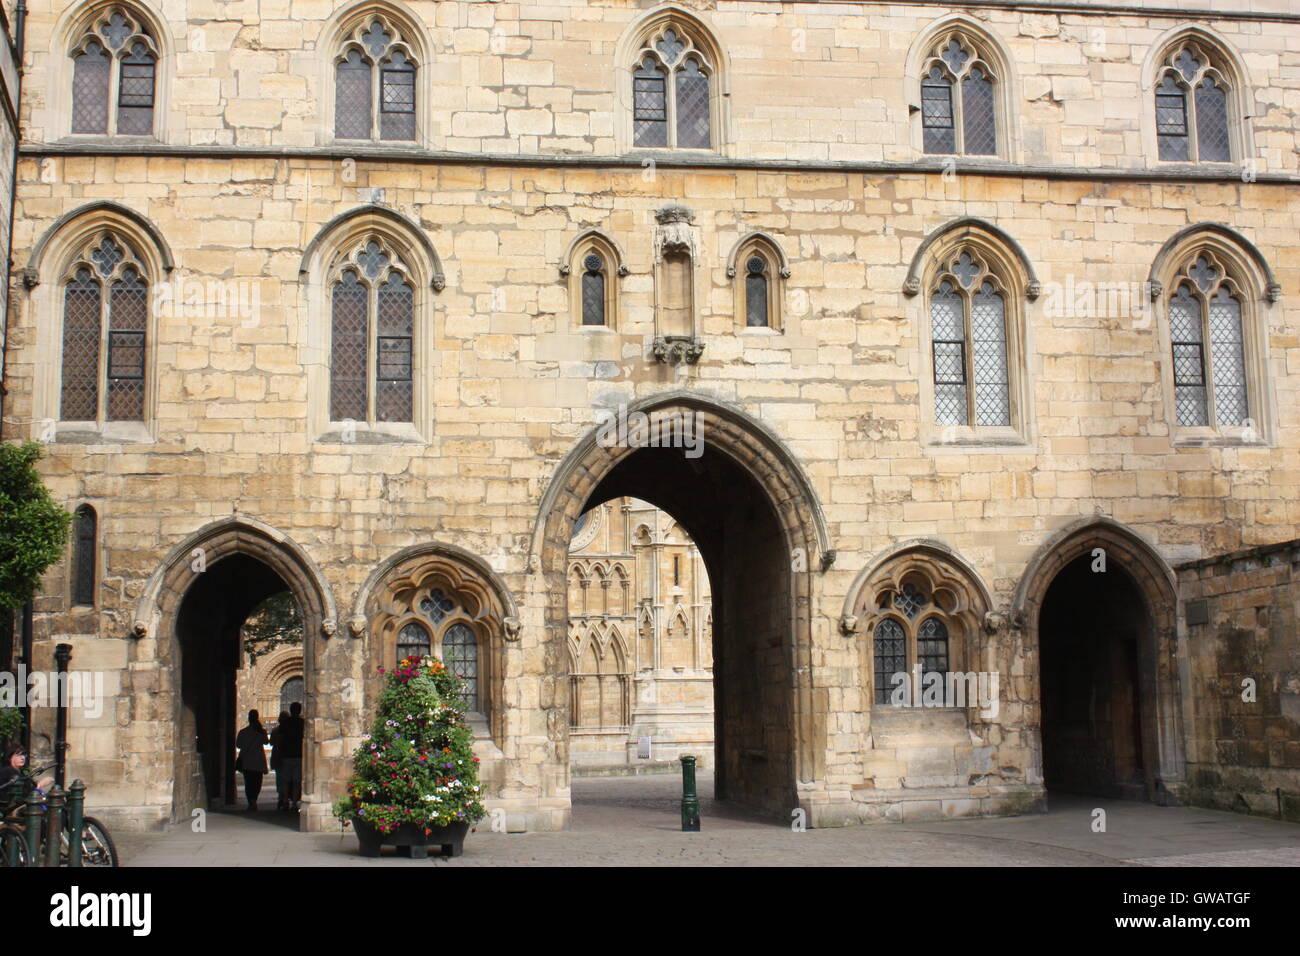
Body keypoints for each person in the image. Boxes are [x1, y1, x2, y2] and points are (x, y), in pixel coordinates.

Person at [234, 711, 268, 812]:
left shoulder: (243, 732)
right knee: (257, 783)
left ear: (249, 718)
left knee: (248, 783)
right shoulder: (261, 732)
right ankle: (254, 800)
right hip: (258, 761)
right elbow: (266, 741)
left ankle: (251, 802)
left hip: (247, 761)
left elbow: (238, 745)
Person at [280, 701, 304, 811]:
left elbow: (280, 738)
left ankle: (285, 801)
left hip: (286, 755)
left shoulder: (285, 723)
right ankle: (294, 802)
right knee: (296, 781)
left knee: (286, 780)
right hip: (299, 755)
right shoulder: (302, 723)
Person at [269, 711, 290, 811]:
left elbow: (271, 742)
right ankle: (286, 798)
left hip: (277, 755)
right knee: (288, 778)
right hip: (288, 755)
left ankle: (281, 796)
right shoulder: (290, 731)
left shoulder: (275, 730)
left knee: (280, 778)